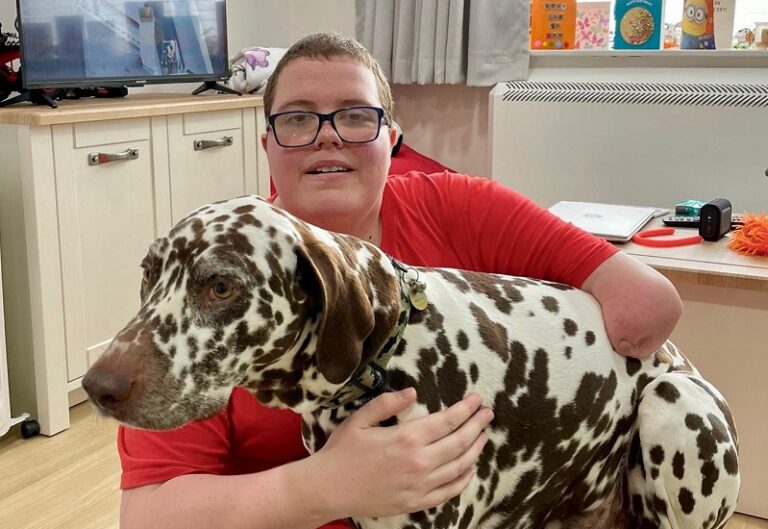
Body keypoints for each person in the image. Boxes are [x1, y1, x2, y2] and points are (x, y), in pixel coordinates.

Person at [118, 32, 682, 529]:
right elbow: (147, 517)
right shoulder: (214, 277)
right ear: (266, 145)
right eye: (296, 119)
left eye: (355, 116)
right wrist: (326, 485)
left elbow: (646, 305)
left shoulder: (461, 206)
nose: (326, 137)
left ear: (393, 139)